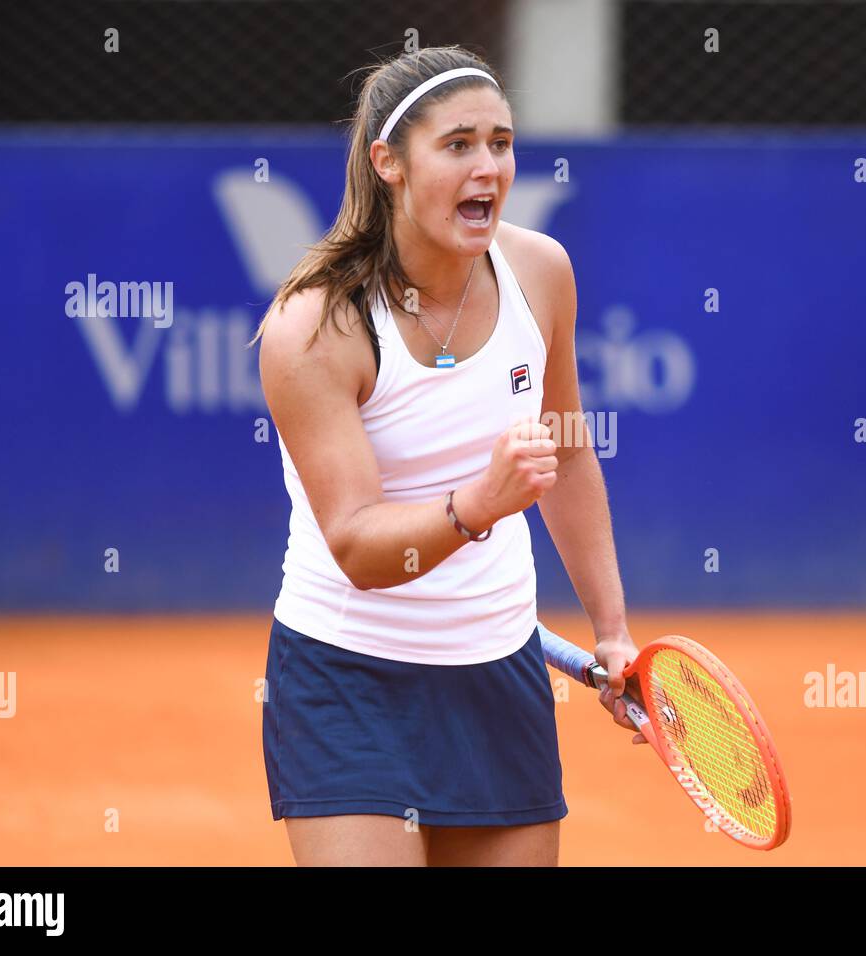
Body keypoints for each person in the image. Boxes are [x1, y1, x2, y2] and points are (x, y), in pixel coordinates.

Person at [251, 45, 642, 866]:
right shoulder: (316, 328)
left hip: (499, 676)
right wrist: (477, 506)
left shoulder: (541, 272)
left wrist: (611, 632)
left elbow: (567, 453)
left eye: (501, 143)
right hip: (345, 680)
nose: (489, 167)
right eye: (458, 144)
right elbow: (357, 544)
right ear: (387, 163)